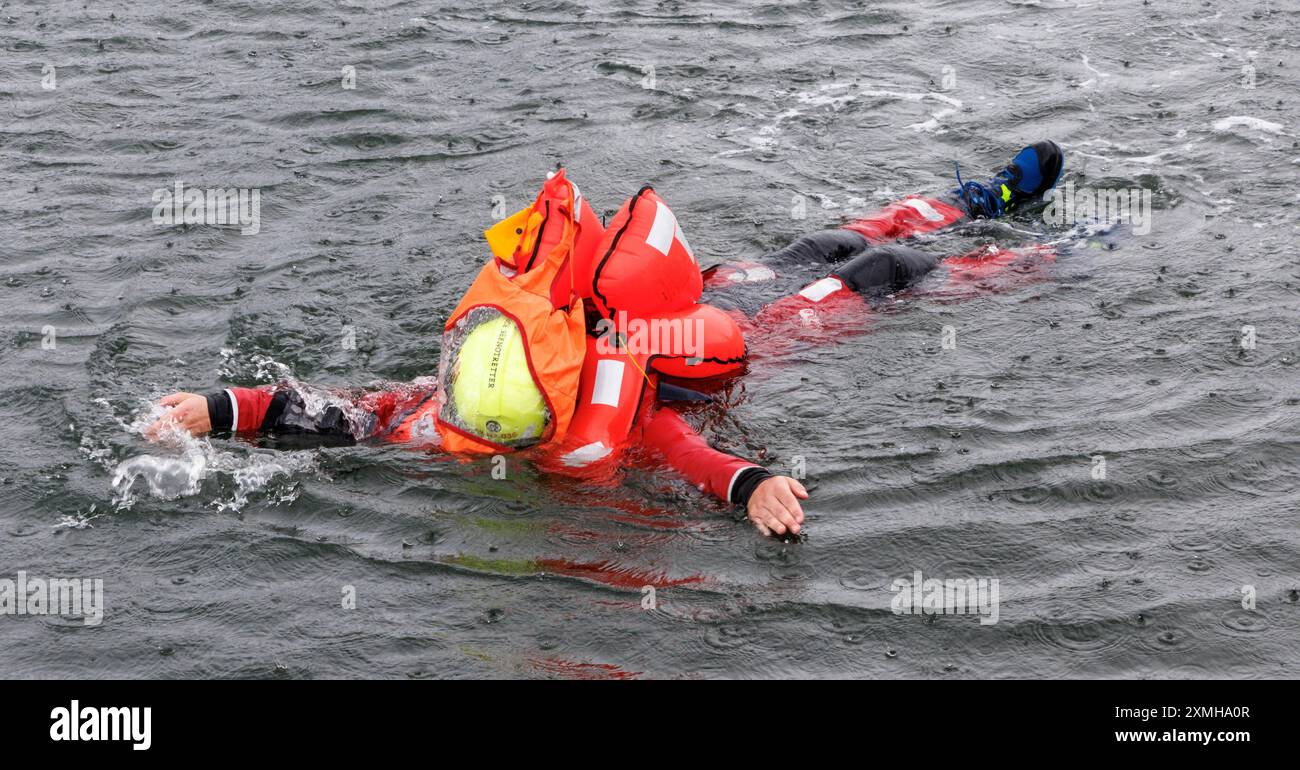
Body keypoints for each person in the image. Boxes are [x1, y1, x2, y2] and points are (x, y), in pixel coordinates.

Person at [148, 141, 1063, 538]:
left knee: (821, 241)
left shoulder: (449, 401)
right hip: (768, 332)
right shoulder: (609, 417)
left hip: (712, 297)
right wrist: (756, 488)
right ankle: (1057, 251)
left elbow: (350, 412)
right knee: (872, 275)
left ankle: (977, 200)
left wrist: (226, 405)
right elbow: (690, 452)